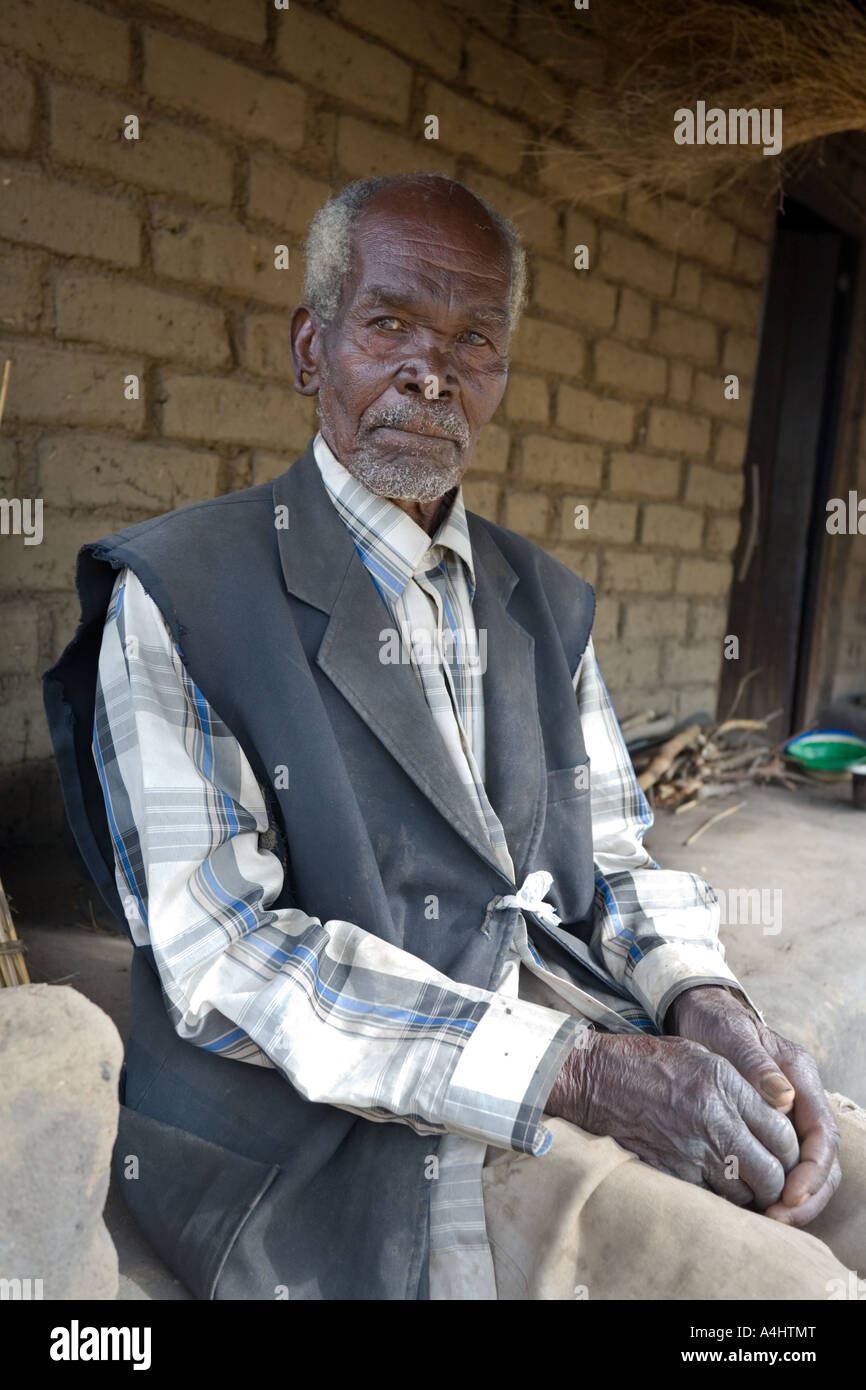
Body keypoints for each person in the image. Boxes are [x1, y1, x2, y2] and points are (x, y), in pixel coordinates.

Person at [43, 173, 866, 1300]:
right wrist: (573, 1071)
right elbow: (226, 953)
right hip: (343, 1134)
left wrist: (703, 1005)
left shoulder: (541, 601)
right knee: (789, 1297)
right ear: (310, 348)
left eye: (473, 339)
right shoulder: (186, 592)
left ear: (500, 374)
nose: (431, 371)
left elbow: (614, 857)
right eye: (388, 325)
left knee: (847, 1188)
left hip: (572, 1040)